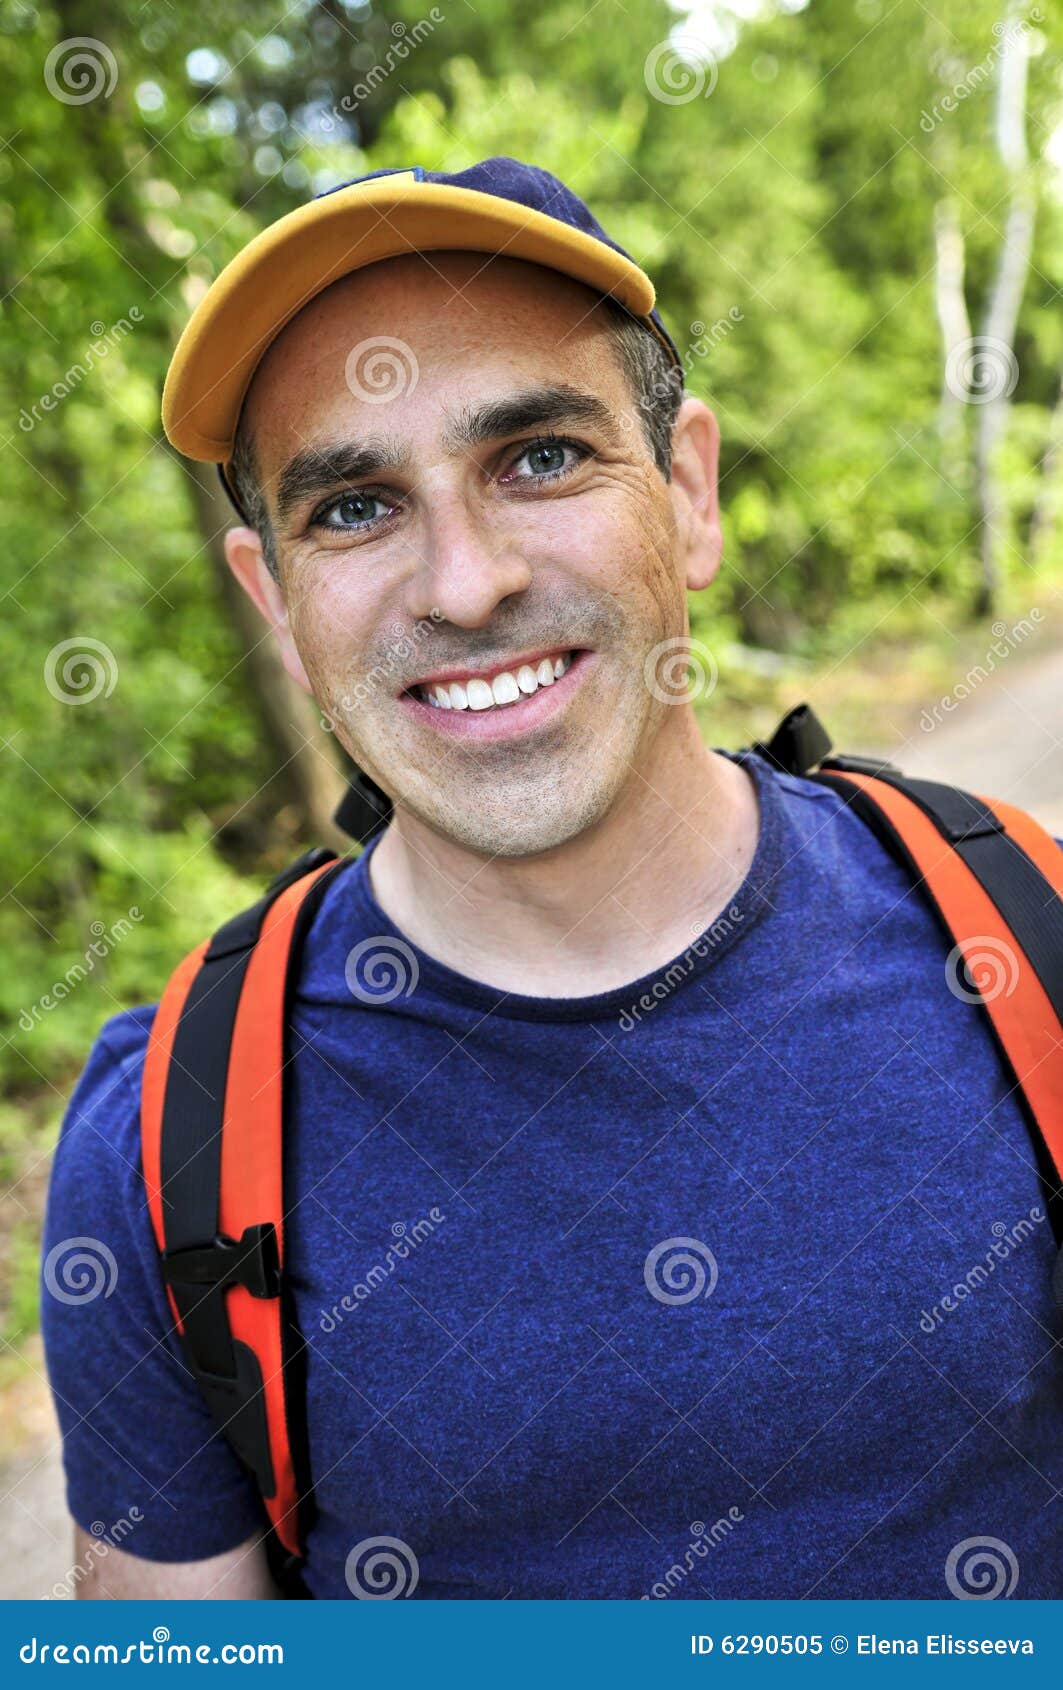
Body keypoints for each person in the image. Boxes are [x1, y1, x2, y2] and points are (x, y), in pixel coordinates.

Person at [42, 159, 1062, 1601]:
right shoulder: (166, 1143)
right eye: (352, 506)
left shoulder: (1033, 945)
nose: (464, 584)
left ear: (689, 493)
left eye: (537, 458)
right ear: (274, 601)